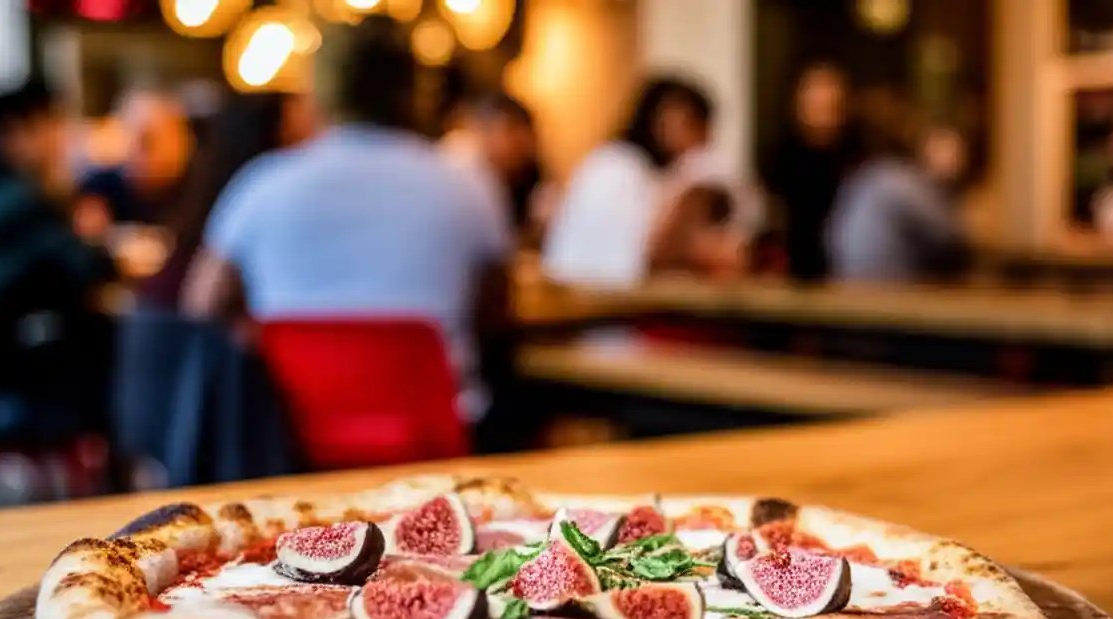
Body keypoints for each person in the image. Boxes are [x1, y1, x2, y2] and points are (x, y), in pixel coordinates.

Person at [182, 17, 508, 421]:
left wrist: (274, 341)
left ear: (319, 92)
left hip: (292, 431)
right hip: (432, 430)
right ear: (414, 89)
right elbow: (494, 313)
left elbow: (201, 302)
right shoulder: (467, 186)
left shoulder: (264, 183)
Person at [0, 79, 118, 444]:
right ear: (12, 135)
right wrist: (89, 234)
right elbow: (87, 269)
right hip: (15, 377)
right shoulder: (18, 199)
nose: (60, 139)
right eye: (51, 126)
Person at [543, 77, 742, 286]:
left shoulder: (634, 168)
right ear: (664, 119)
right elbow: (644, 254)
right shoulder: (619, 169)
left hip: (595, 298)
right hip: (594, 304)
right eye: (695, 126)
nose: (703, 141)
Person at [137, 92, 316, 310]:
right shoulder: (255, 190)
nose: (314, 149)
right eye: (299, 138)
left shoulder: (218, 203)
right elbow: (202, 300)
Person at [825, 124, 969, 283]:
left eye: (957, 152)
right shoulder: (905, 184)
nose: (952, 159)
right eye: (944, 150)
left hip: (846, 281)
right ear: (925, 150)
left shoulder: (878, 175)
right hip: (886, 290)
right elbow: (950, 238)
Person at [764, 62, 863, 281]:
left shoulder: (861, 160)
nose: (823, 99)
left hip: (854, 280)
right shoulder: (782, 159)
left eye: (830, 92)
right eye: (815, 92)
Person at [73, 90, 193, 239]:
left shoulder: (199, 191)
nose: (137, 150)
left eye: (148, 141)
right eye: (132, 138)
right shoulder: (100, 189)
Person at [441, 92, 544, 242]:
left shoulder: (518, 175)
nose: (521, 148)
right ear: (483, 129)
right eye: (511, 132)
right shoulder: (462, 164)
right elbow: (494, 248)